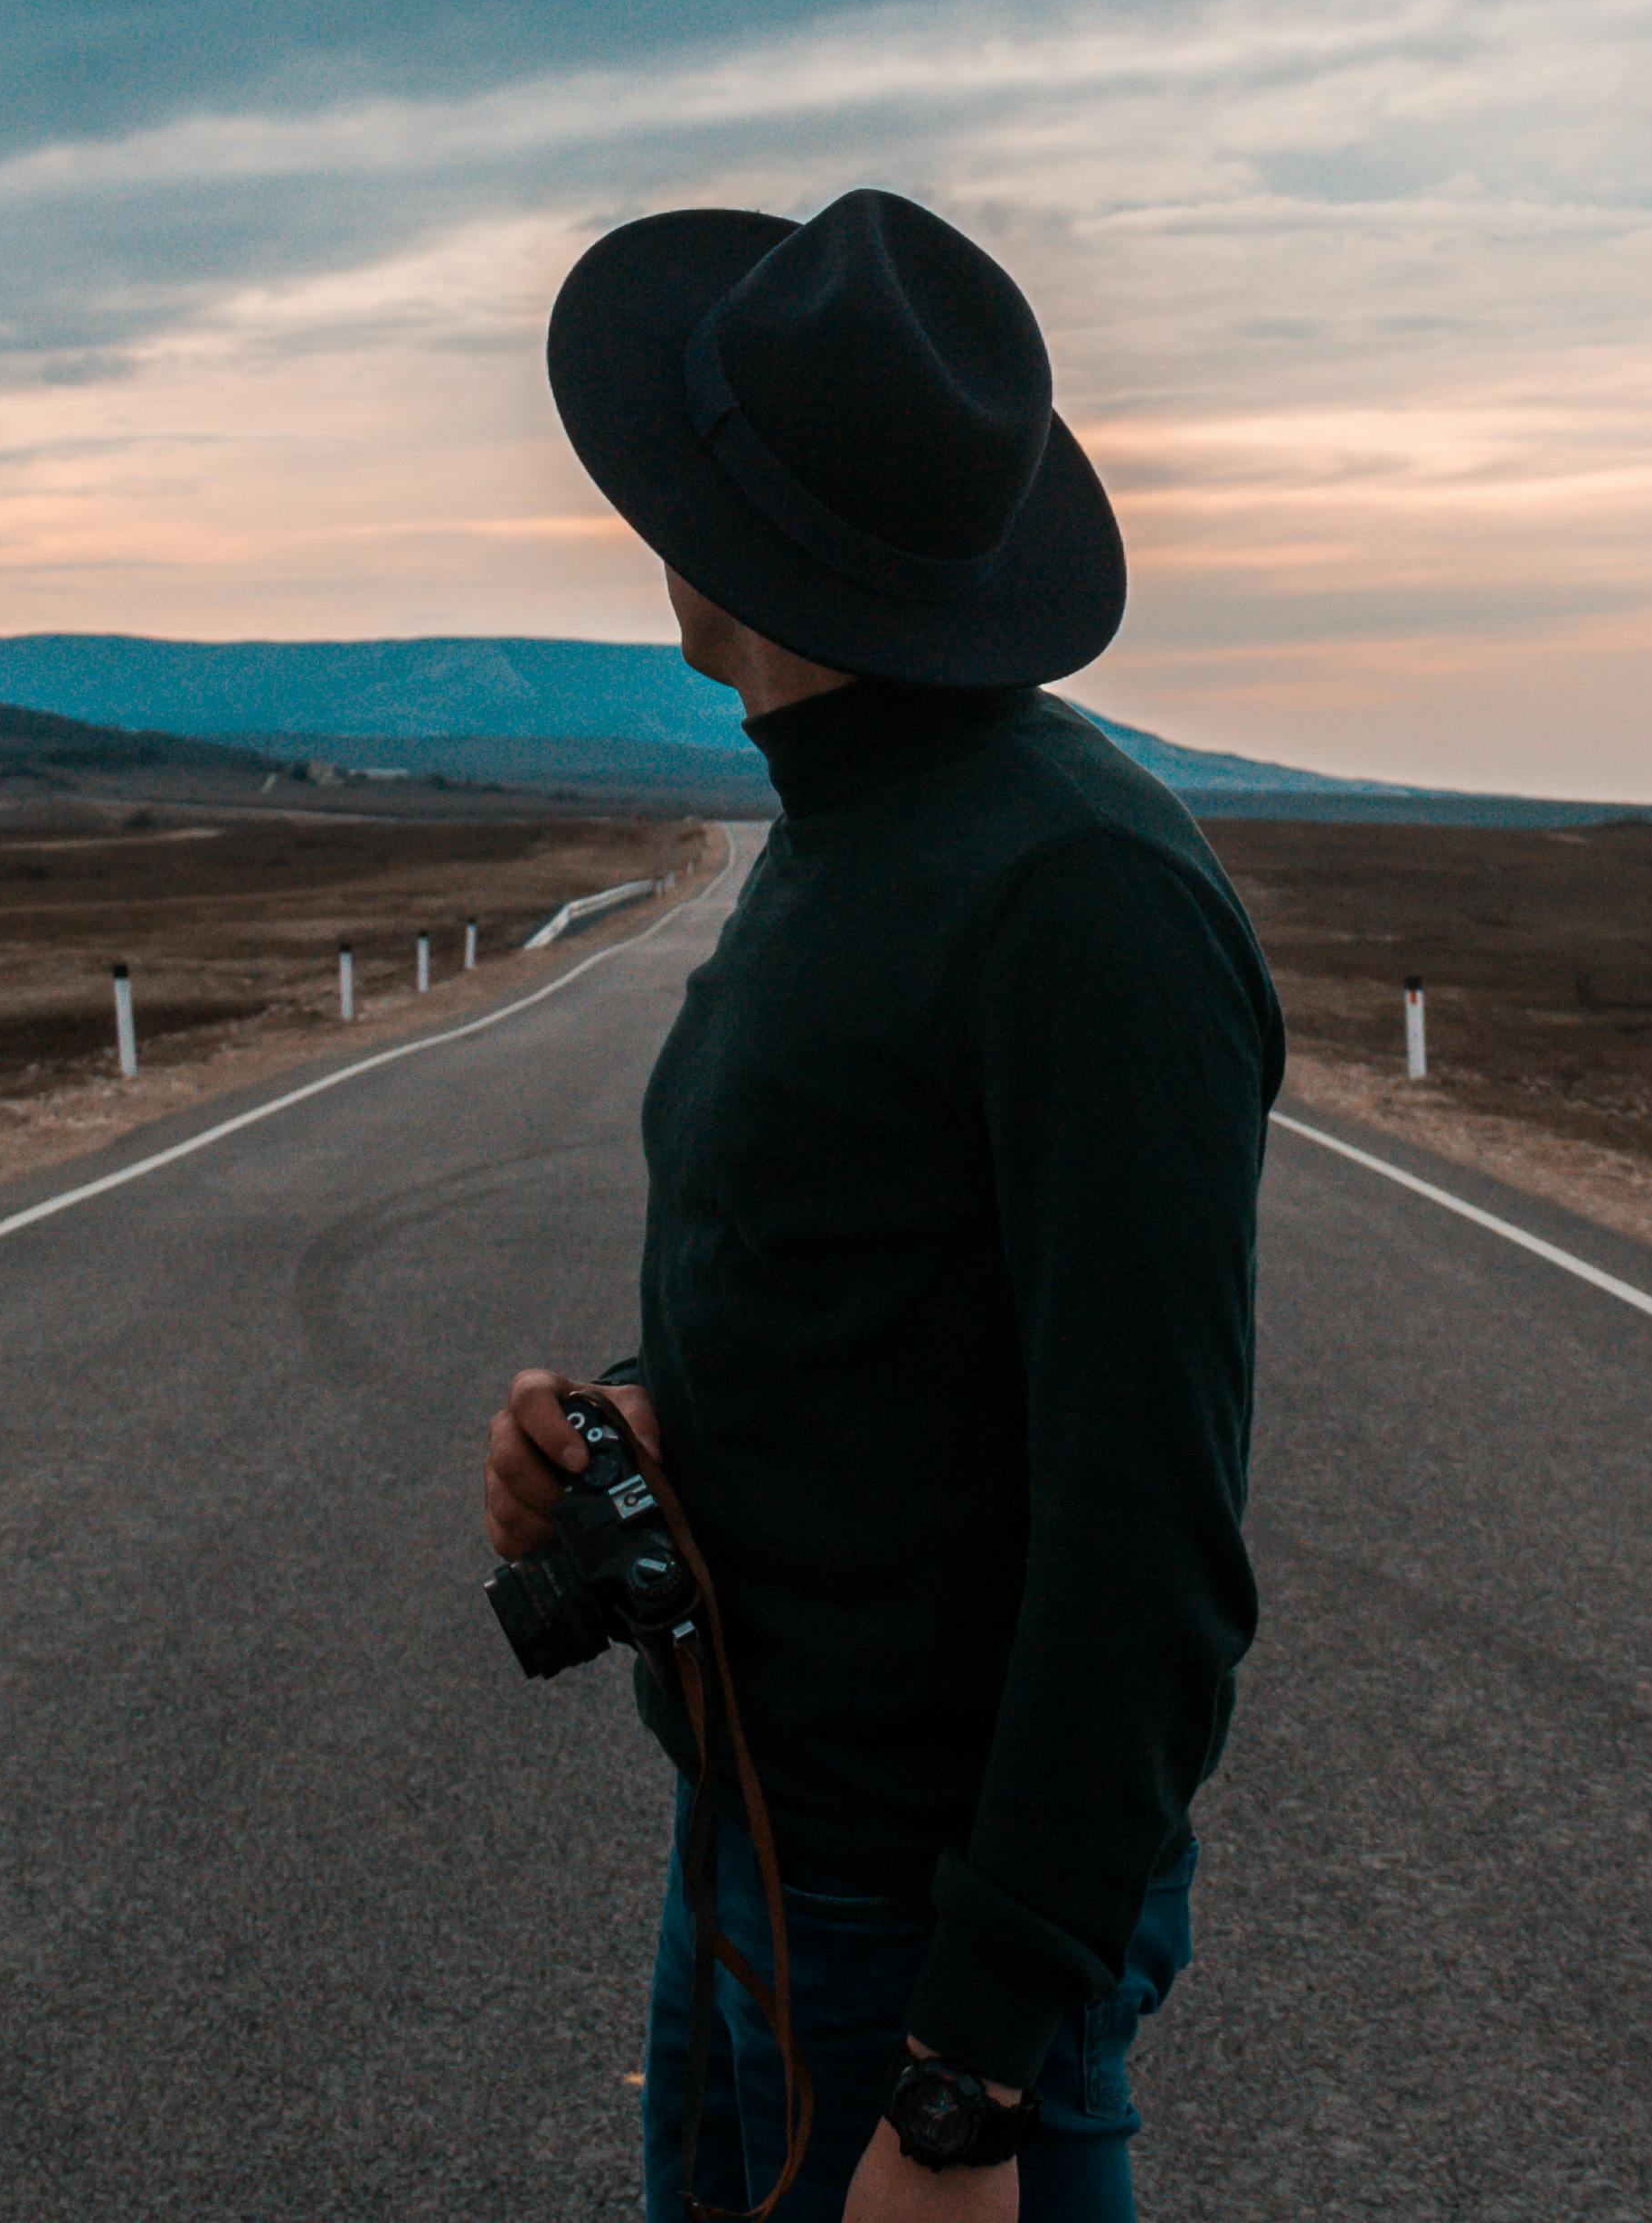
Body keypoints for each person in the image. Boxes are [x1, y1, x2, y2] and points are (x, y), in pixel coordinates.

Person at [487, 189, 1284, 2223]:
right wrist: (645, 1416)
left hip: (914, 1951)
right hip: (759, 1846)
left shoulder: (1073, 896)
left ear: (741, 541)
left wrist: (972, 2083)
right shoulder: (858, 825)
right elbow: (868, 1291)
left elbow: (1151, 1532)